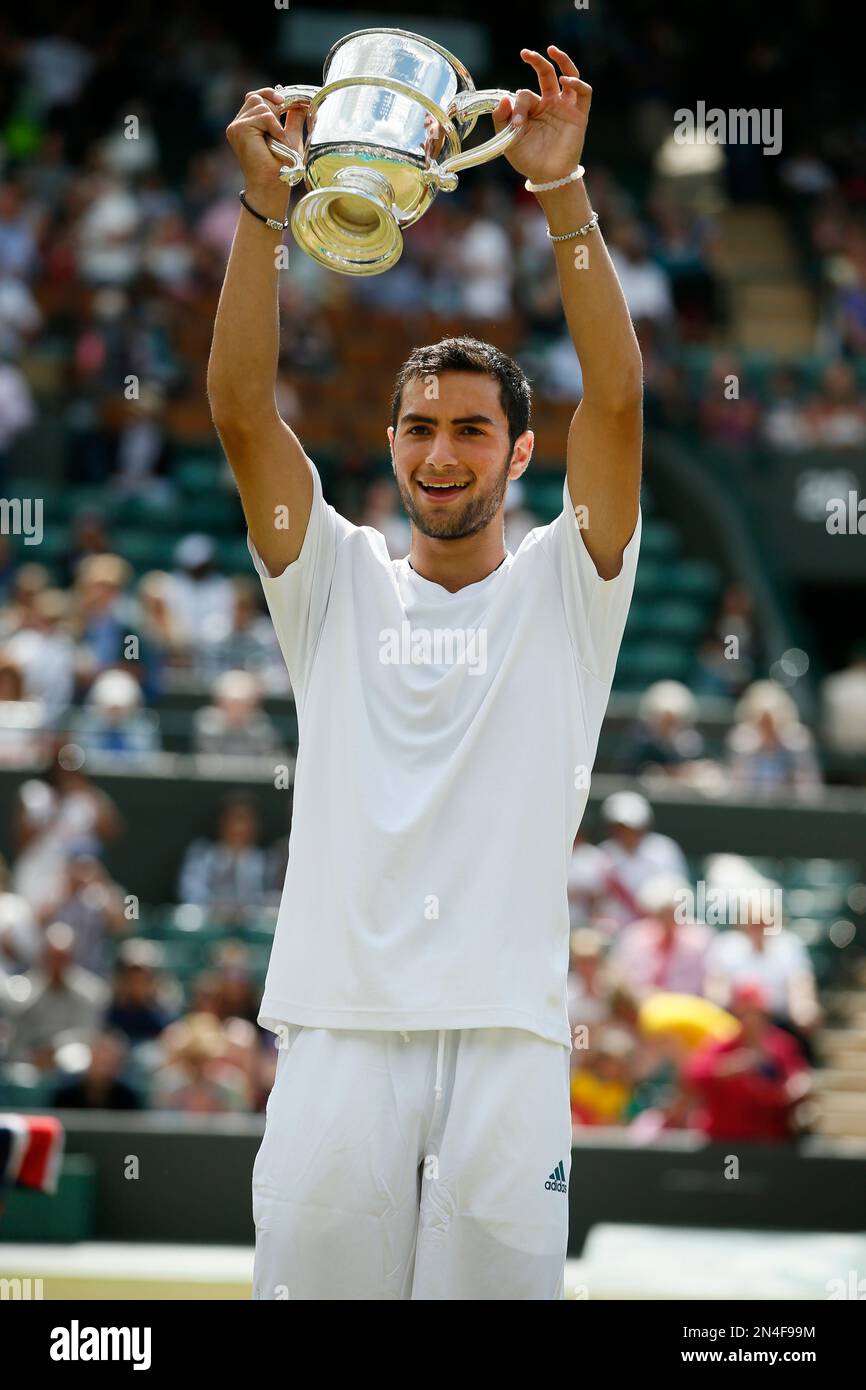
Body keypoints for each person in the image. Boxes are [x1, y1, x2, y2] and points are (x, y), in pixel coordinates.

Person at [209, 45, 643, 1300]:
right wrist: (260, 208)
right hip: (338, 1029)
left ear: (518, 457)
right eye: (416, 427)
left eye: (468, 430)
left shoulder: (573, 583)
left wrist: (563, 195)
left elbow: (612, 402)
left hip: (506, 1041)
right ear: (390, 445)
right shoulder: (330, 578)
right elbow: (243, 413)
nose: (438, 452)